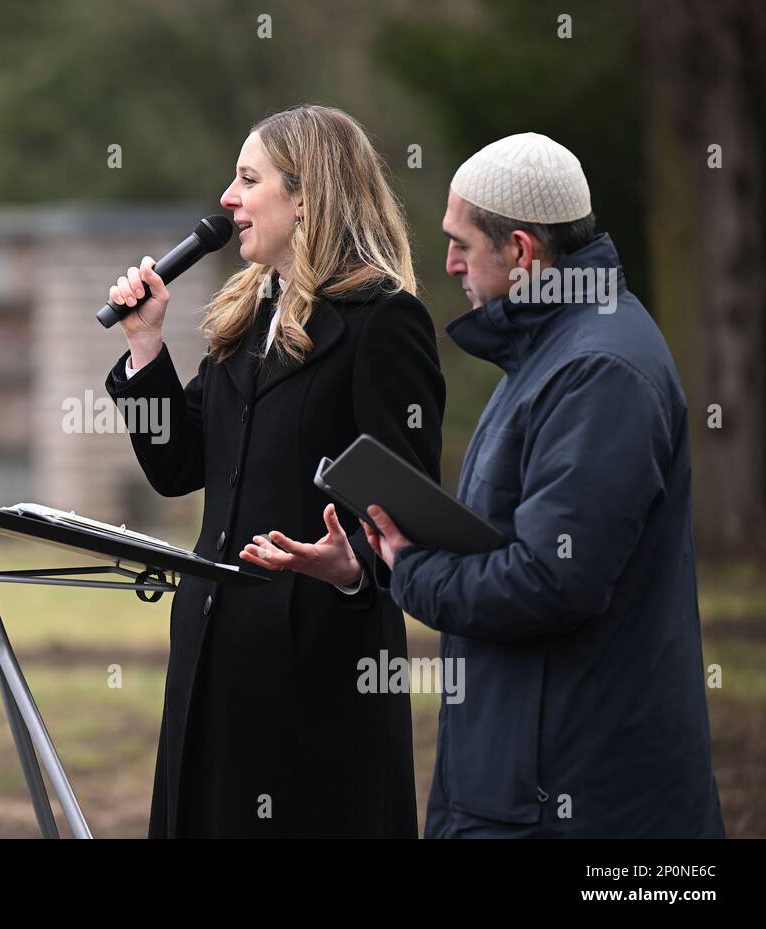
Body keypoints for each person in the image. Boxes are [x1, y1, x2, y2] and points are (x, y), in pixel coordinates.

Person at [361, 132, 724, 837]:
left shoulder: (600, 371)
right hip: (524, 782)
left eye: (462, 242)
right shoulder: (551, 354)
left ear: (523, 253)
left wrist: (412, 571)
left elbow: (551, 579)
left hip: (579, 800)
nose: (449, 263)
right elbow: (504, 538)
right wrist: (379, 557)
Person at [105, 105, 445, 837]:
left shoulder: (383, 321)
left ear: (305, 197)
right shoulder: (246, 317)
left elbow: (406, 511)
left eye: (247, 178)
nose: (227, 199)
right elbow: (180, 465)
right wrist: (144, 348)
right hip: (213, 658)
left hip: (316, 666)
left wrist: (350, 564)